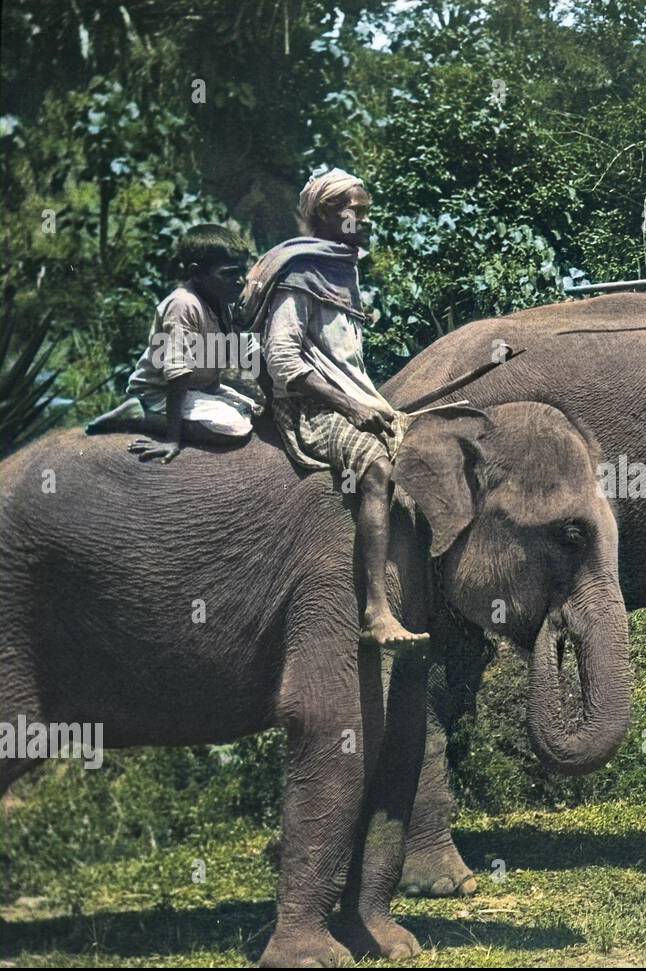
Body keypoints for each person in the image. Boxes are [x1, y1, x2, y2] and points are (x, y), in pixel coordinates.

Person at [240, 166, 426, 650]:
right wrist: (350, 406)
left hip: (347, 400)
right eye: (353, 211)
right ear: (325, 213)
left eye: (366, 211)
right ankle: (375, 610)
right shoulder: (300, 272)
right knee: (376, 467)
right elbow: (282, 357)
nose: (363, 220)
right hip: (309, 410)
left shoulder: (341, 267)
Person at [85, 225, 261, 458]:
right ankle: (140, 415)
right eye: (228, 274)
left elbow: (242, 347)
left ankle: (174, 412)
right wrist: (172, 440)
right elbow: (178, 374)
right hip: (162, 390)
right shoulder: (183, 305)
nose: (239, 281)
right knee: (232, 430)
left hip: (201, 387)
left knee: (253, 410)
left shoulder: (221, 301)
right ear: (196, 273)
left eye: (241, 272)